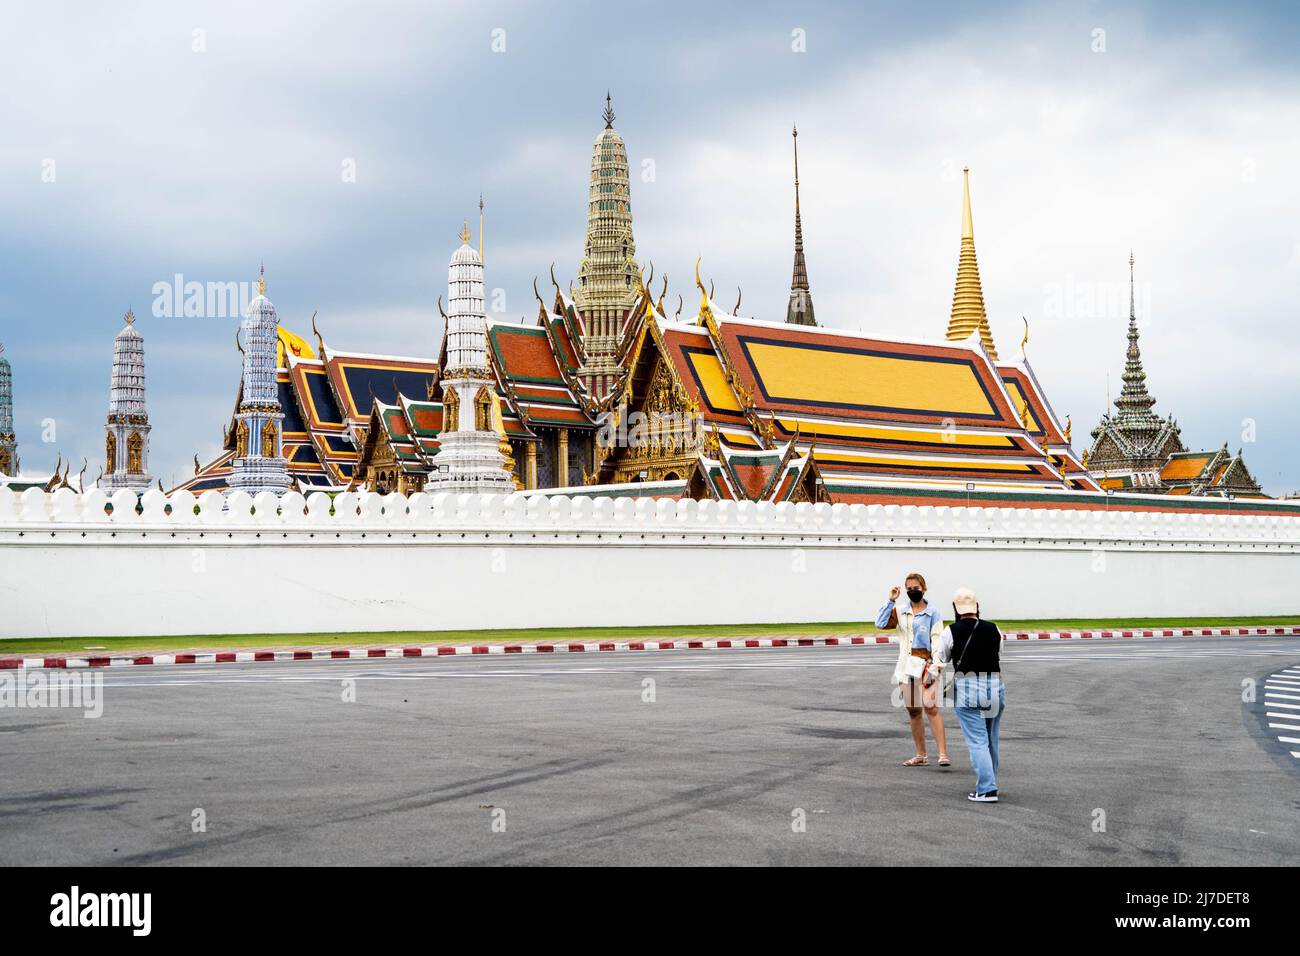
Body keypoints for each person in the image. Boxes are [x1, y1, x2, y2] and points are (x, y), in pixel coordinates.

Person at [934, 587, 1005, 803]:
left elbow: (941, 658)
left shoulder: (950, 631)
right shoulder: (995, 629)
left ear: (956, 608)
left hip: (967, 687)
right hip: (994, 686)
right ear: (977, 607)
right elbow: (998, 654)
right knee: (991, 738)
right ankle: (991, 782)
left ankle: (986, 789)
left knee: (977, 741)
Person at [876, 573, 949, 768]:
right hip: (905, 667)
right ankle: (921, 755)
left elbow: (937, 639)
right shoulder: (900, 610)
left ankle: (942, 754)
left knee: (931, 707)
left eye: (915, 588)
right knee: (913, 711)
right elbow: (881, 623)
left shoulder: (933, 612)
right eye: (908, 589)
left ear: (923, 589)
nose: (912, 592)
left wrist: (935, 667)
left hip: (926, 666)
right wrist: (891, 600)